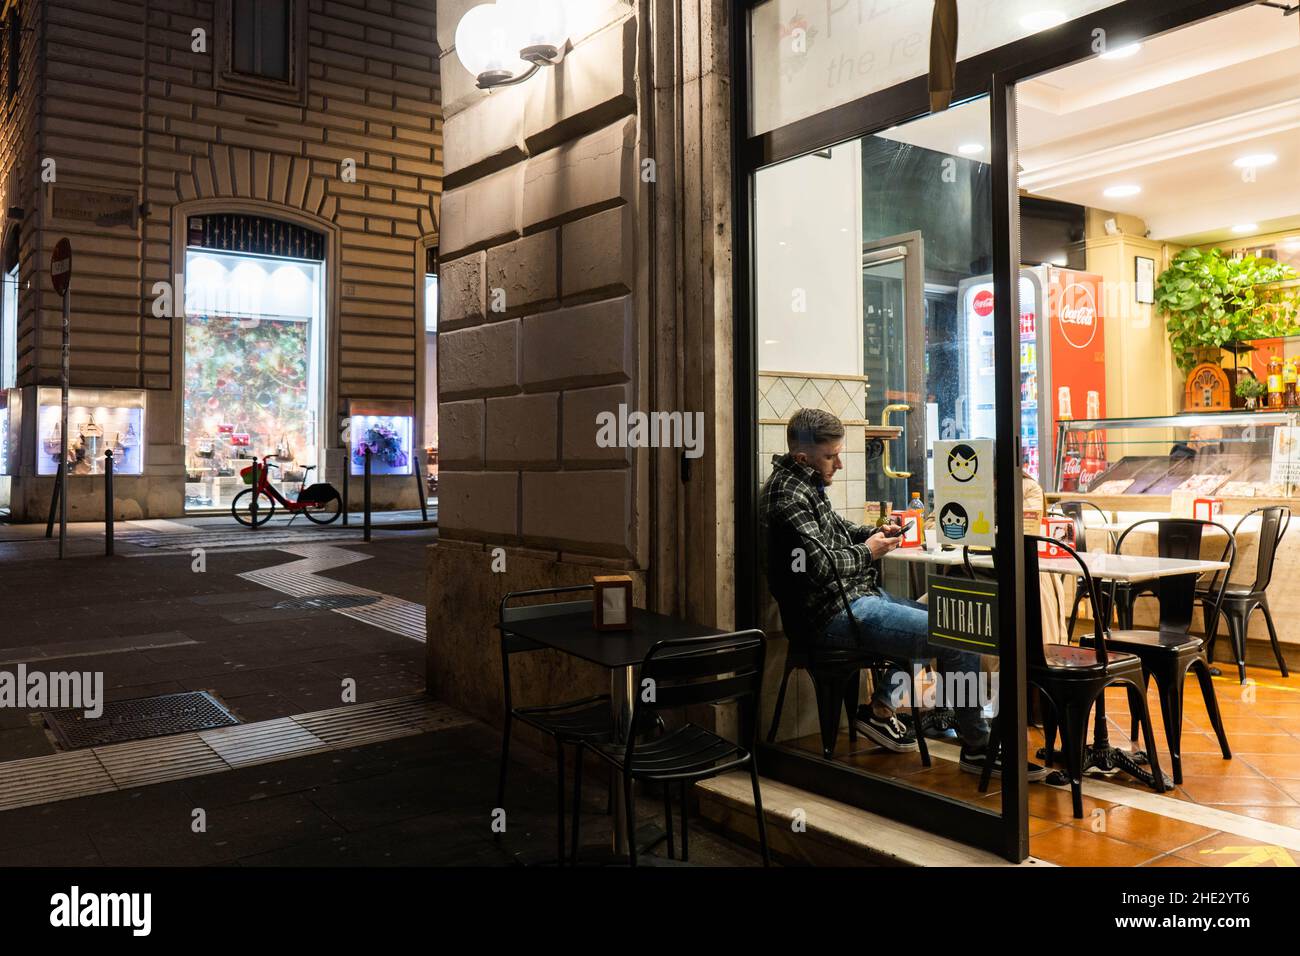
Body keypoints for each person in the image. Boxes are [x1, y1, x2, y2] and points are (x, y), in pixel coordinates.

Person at [761, 407, 1046, 779]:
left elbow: (838, 529)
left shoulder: (804, 483)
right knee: (957, 635)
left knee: (933, 616)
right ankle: (979, 747)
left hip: (851, 600)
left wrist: (877, 530)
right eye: (831, 457)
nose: (839, 465)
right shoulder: (788, 496)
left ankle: (879, 710)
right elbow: (818, 565)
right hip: (830, 616)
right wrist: (871, 551)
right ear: (802, 457)